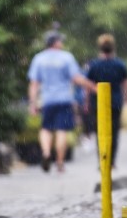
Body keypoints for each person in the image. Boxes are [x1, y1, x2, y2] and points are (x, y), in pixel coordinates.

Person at [27, 31, 96, 173]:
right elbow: (76, 78)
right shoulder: (66, 57)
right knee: (61, 131)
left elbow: (34, 83)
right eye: (60, 41)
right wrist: (93, 87)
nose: (62, 43)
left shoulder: (38, 59)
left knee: (46, 128)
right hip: (64, 99)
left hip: (47, 100)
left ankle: (46, 153)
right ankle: (59, 162)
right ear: (55, 43)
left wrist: (32, 103)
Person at [85, 33, 127, 168]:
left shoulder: (94, 65)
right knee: (114, 132)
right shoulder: (119, 64)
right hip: (115, 102)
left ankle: (102, 160)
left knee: (100, 131)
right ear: (113, 47)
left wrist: (87, 102)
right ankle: (112, 161)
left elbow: (88, 85)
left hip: (98, 103)